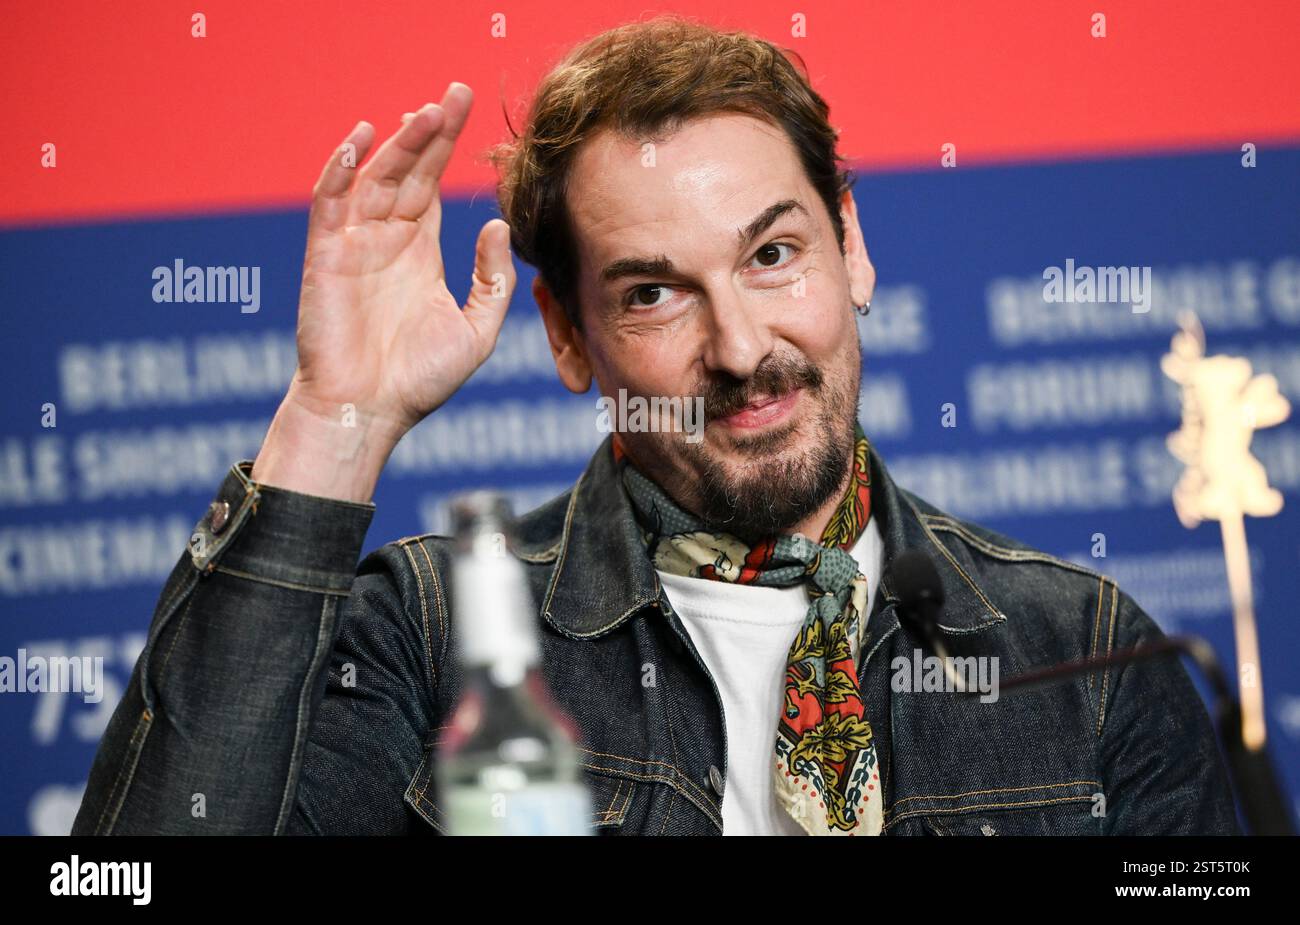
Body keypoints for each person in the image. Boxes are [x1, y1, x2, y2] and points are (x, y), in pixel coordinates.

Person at [74, 16, 1240, 836]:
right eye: (652, 293)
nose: (739, 350)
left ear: (853, 246)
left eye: (772, 255)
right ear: (569, 338)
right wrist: (336, 421)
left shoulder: (1081, 654)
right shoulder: (430, 643)